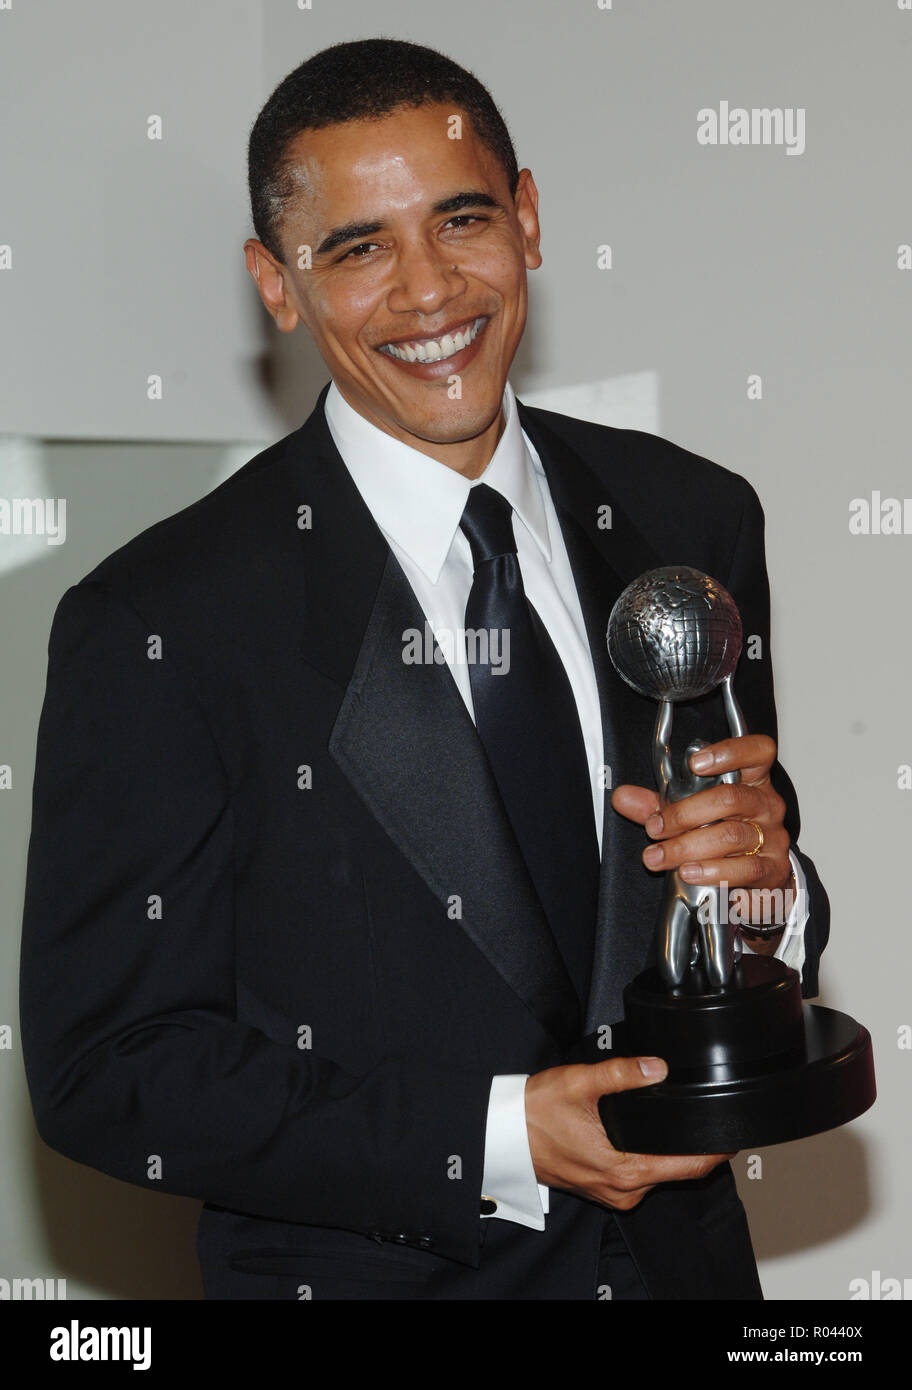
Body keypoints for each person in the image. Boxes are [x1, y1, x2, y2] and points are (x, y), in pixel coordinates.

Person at [19, 37, 828, 1300]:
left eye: (463, 220)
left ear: (531, 220)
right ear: (275, 285)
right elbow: (108, 1066)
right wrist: (495, 1136)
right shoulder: (163, 620)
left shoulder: (687, 516)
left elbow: (738, 909)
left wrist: (772, 890)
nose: (429, 290)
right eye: (357, 247)